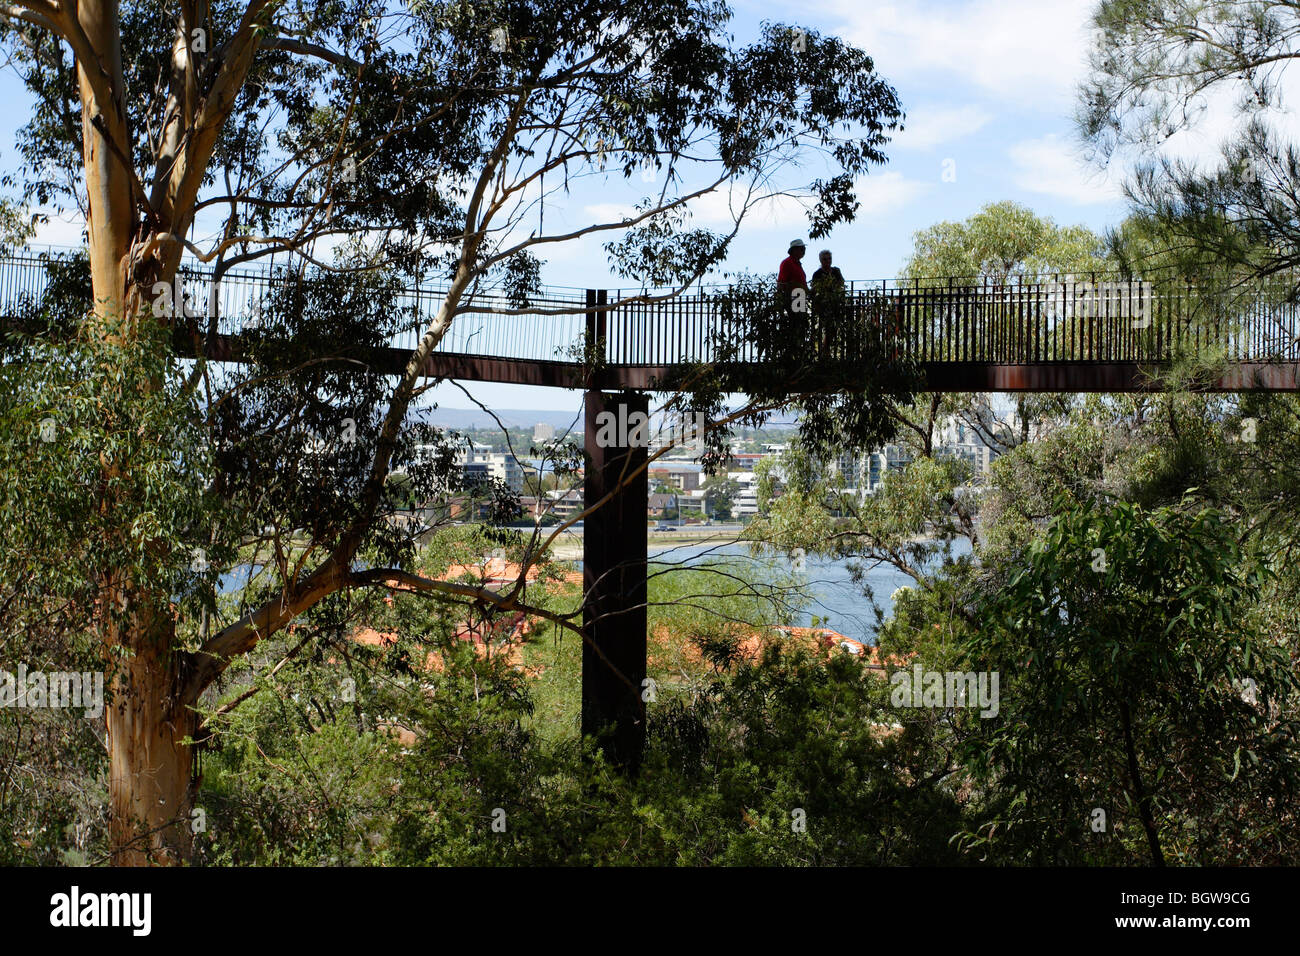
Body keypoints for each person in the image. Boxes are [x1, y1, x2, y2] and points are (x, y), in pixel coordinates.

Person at [777, 238, 809, 314]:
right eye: (801, 249)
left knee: (801, 321)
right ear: (794, 250)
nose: (803, 251)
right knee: (796, 321)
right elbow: (782, 282)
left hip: (800, 297)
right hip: (793, 297)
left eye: (804, 249)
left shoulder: (797, 264)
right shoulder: (787, 263)